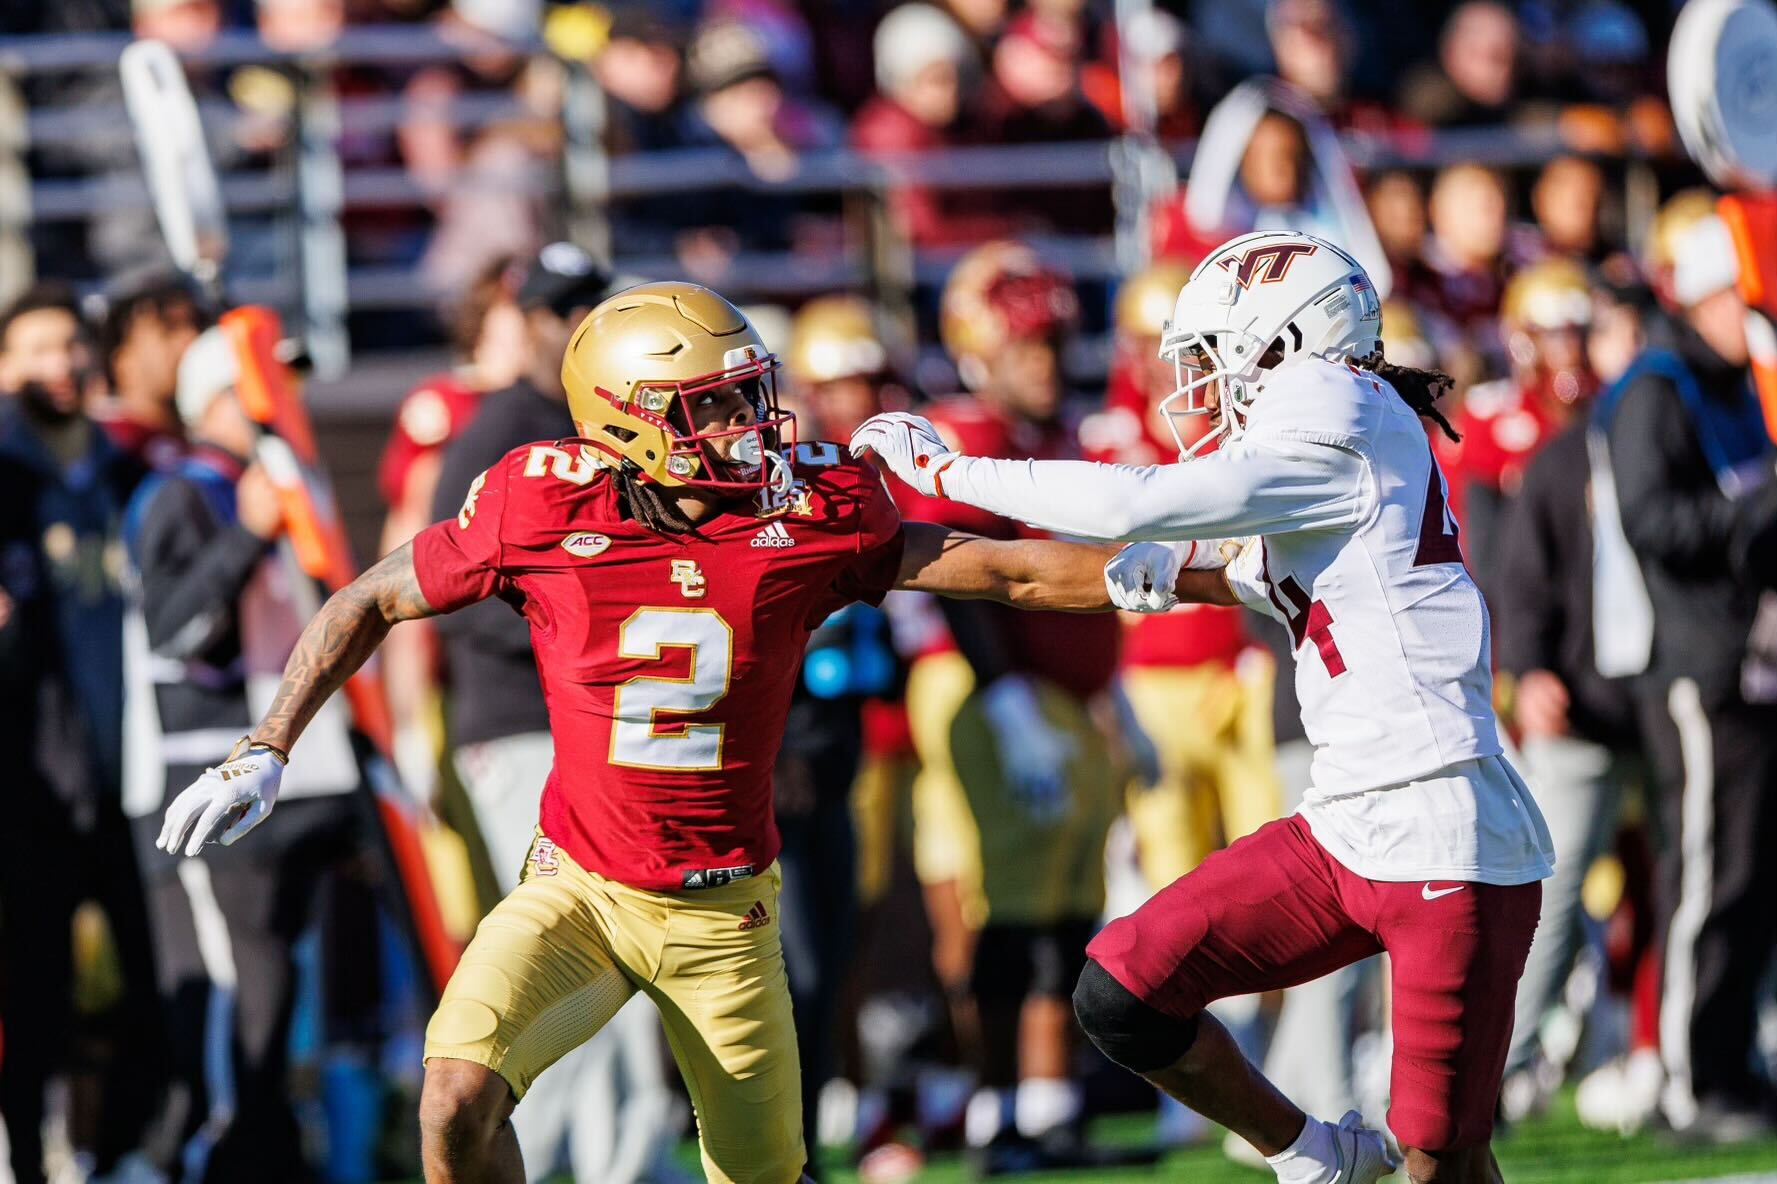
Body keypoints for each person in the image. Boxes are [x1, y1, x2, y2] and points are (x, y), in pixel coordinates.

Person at [151, 280, 1163, 1184]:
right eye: (712, 406)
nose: (747, 426)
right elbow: (368, 597)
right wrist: (267, 743)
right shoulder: (542, 500)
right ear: (624, 422)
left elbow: (1008, 569)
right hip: (578, 889)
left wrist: (1214, 571)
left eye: (746, 395)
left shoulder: (807, 506)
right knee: (454, 1097)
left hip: (725, 914)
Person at [852, 230, 1556, 1184]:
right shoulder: (1332, 461)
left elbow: (1143, 503)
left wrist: (948, 473)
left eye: (1218, 353)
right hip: (1345, 825)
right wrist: (880, 550)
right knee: (1124, 990)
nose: (1203, 381)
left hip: (1443, 825)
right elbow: (1049, 571)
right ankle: (1312, 1156)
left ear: (1282, 345)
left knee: (1443, 1156)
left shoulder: (1337, 407)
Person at [898, 242, 1128, 1172]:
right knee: (1013, 909)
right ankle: (998, 1112)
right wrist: (1006, 704)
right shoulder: (963, 435)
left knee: (1072, 908)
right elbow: (950, 578)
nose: (1045, 360)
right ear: (978, 348)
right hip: (997, 693)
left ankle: (1047, 1103)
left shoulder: (1053, 436)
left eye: (1053, 341)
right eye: (1026, 343)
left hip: (1063, 698)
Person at [120, 326, 368, 1183]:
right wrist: (251, 533)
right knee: (235, 1006)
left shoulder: (275, 485)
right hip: (203, 786)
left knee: (283, 1003)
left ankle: (269, 1155)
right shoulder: (179, 493)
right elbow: (176, 632)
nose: (283, 408)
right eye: (266, 390)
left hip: (291, 789)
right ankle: (208, 1159)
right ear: (216, 403)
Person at [1597, 212, 1777, 1142]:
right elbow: (1653, 523)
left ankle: (1730, 1060)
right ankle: (1684, 1077)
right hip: (1693, 664)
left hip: (1748, 665)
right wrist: (1755, 511)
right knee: (1703, 875)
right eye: (1737, 302)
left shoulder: (1732, 382)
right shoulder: (1653, 392)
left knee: (1750, 877)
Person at [0, 284, 162, 1184]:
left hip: (132, 778)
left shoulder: (128, 474)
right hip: (30, 787)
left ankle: (127, 1156)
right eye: (36, 348)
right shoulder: (2, 477)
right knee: (36, 995)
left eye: (70, 346)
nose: (59, 364)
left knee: (151, 984)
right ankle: (26, 1157)